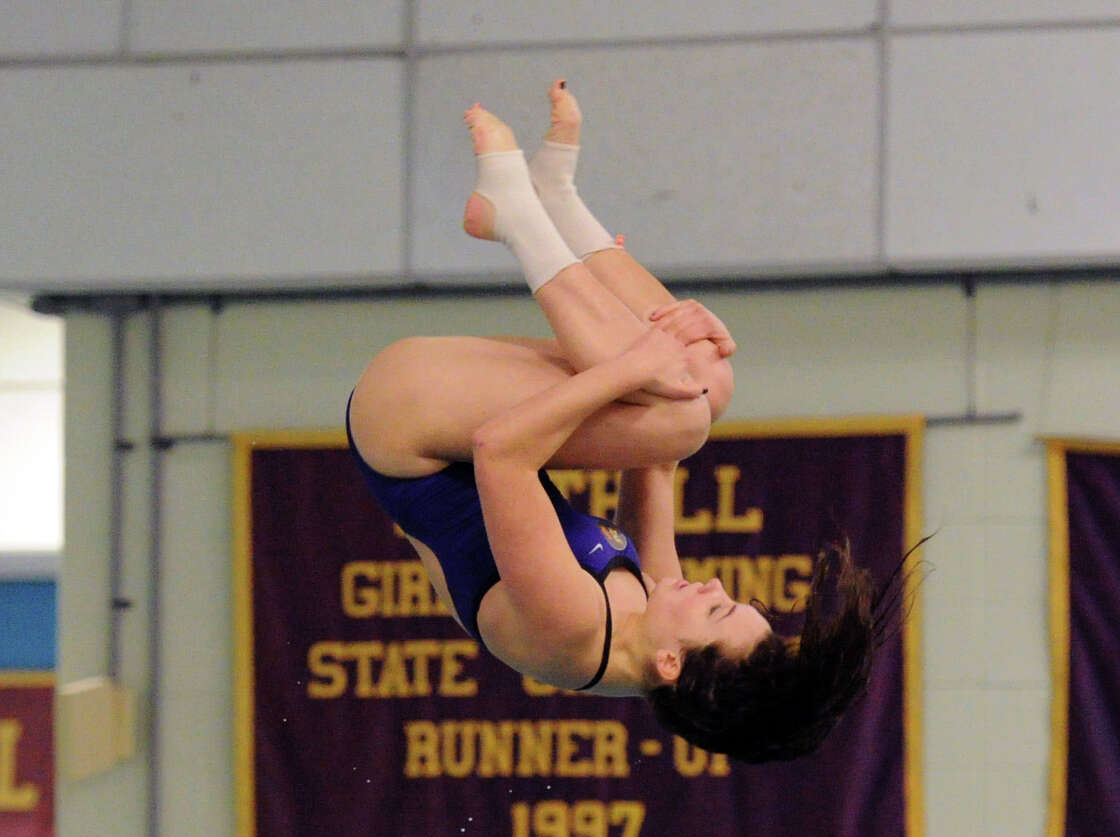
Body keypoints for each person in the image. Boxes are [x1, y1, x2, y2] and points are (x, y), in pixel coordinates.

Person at [349, 82, 900, 763]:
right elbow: (655, 463)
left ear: (672, 665)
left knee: (679, 413)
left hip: (406, 422)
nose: (714, 587)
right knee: (704, 391)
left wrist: (634, 365)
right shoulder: (654, 624)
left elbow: (501, 453)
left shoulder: (573, 631)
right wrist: (696, 348)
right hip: (451, 420)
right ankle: (559, 202)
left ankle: (522, 214)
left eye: (718, 610)